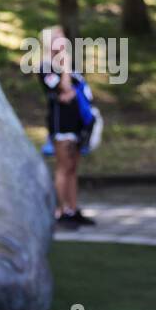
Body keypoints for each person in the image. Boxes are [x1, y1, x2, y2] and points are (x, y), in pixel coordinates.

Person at [38, 26, 96, 227]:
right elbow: (64, 88)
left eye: (62, 36)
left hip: (78, 123)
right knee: (63, 167)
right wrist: (64, 68)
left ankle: (72, 208)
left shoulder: (71, 64)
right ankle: (60, 211)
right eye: (56, 37)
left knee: (73, 168)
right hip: (61, 125)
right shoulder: (46, 66)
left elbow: (78, 91)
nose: (61, 41)